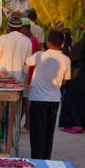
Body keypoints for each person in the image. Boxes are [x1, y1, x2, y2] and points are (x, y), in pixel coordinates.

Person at [24, 29, 71, 160]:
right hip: (54, 99)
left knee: (37, 132)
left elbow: (27, 62)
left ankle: (36, 159)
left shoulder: (39, 55)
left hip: (38, 99)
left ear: (48, 43)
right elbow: (66, 78)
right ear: (62, 44)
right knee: (49, 131)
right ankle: (46, 158)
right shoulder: (66, 59)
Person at [59, 26, 85, 133]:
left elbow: (70, 59)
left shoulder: (78, 45)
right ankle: (81, 124)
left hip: (76, 75)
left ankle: (71, 124)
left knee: (72, 100)